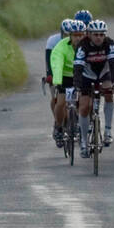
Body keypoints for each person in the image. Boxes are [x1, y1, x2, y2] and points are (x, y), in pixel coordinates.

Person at [73, 19, 114, 158]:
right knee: (84, 107)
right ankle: (83, 141)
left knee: (109, 93)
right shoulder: (83, 46)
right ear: (89, 35)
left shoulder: (110, 44)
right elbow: (78, 68)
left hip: (104, 73)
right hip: (87, 76)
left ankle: (108, 131)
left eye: (101, 34)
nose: (99, 37)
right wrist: (77, 86)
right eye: (95, 34)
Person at [49, 20, 85, 148]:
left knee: (86, 100)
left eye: (81, 35)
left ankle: (83, 124)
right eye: (75, 35)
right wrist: (57, 81)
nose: (79, 38)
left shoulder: (88, 46)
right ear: (70, 36)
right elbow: (57, 64)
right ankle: (58, 126)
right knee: (60, 103)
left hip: (80, 76)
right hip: (65, 76)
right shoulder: (61, 47)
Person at [44, 20, 69, 140]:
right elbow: (49, 61)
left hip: (71, 72)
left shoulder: (77, 41)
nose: (68, 37)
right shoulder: (53, 41)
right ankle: (57, 123)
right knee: (56, 98)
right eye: (65, 34)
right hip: (56, 71)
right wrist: (50, 75)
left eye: (71, 34)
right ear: (61, 33)